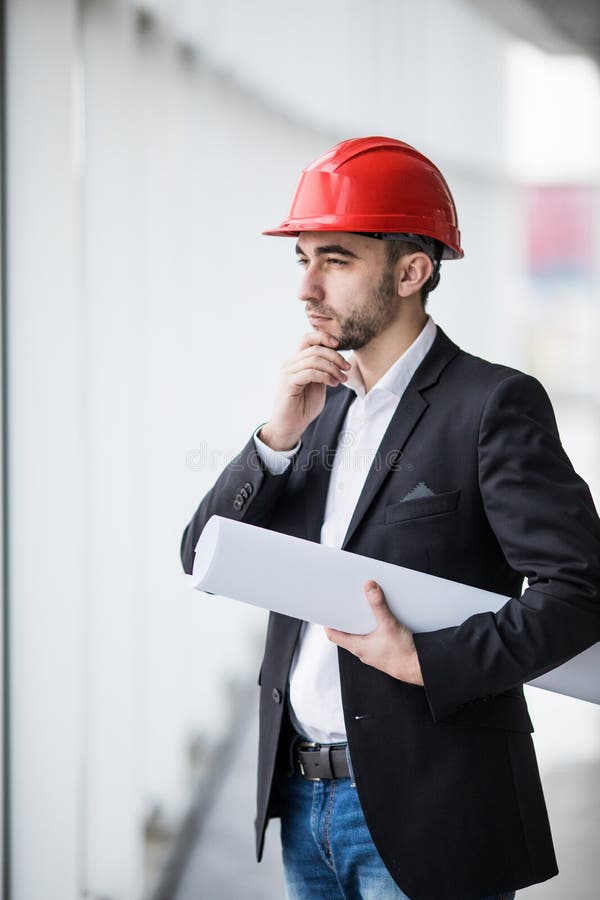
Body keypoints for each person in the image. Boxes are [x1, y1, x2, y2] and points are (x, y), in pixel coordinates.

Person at [180, 136, 600, 900]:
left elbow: (581, 591)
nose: (307, 288)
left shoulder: (491, 406)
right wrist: (274, 440)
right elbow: (198, 554)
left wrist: (427, 660)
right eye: (301, 260)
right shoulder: (314, 408)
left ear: (412, 272)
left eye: (334, 260)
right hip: (304, 802)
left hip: (434, 805)